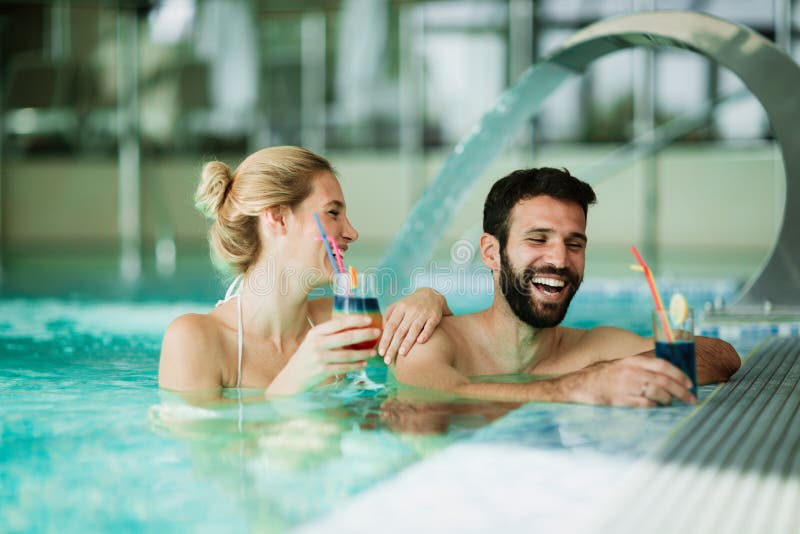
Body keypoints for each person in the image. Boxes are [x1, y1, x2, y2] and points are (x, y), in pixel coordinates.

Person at [394, 167, 741, 407]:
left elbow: (720, 355)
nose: (560, 260)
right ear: (491, 252)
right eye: (538, 239)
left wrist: (601, 372)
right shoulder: (430, 339)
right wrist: (577, 386)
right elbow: (441, 396)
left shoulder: (593, 347)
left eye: (574, 243)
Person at [158, 146, 450, 398]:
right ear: (278, 218)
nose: (352, 233)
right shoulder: (195, 340)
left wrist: (430, 300)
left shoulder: (334, 319)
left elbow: (438, 344)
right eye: (333, 213)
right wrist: (295, 379)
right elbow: (210, 450)